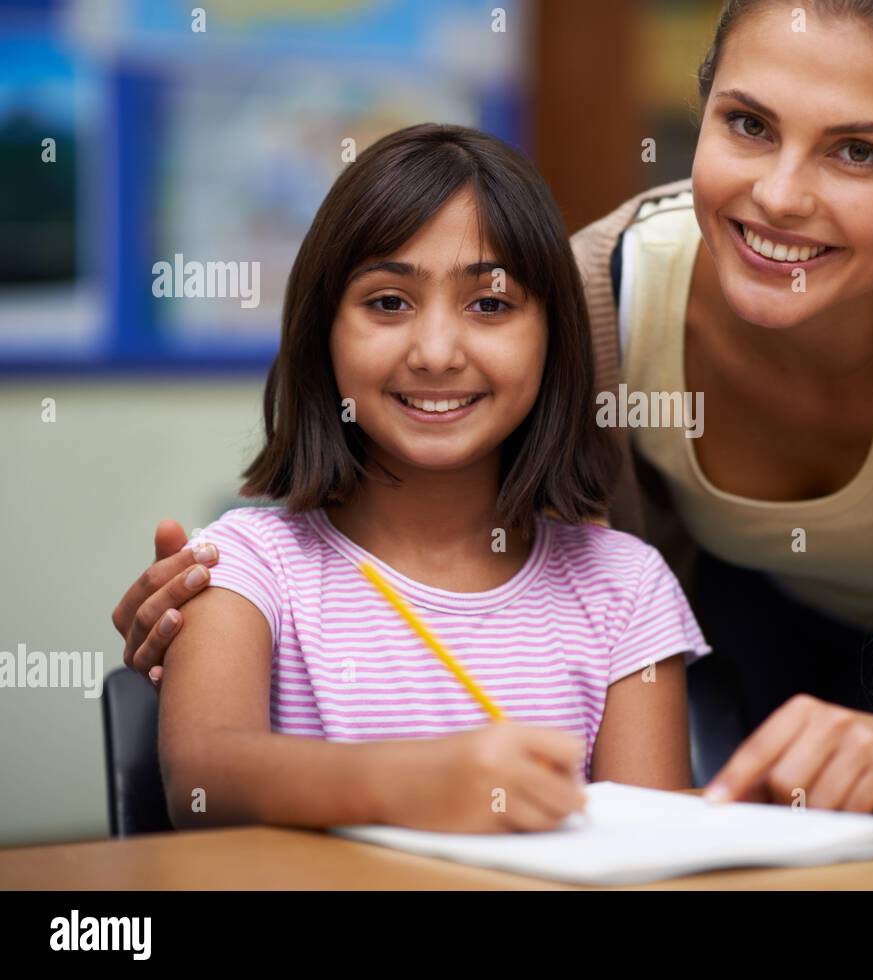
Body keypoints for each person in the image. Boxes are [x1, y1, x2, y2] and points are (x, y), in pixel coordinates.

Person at [114, 0, 873, 816]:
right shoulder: (592, 296)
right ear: (702, 107)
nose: (780, 194)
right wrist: (213, 599)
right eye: (747, 124)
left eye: (856, 151)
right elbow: (392, 461)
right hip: (736, 659)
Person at [153, 123, 710, 834]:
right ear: (322, 330)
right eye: (388, 302)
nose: (437, 352)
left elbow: (650, 848)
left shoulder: (626, 589)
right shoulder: (247, 565)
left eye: (491, 304)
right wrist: (421, 779)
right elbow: (201, 782)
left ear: (555, 338)